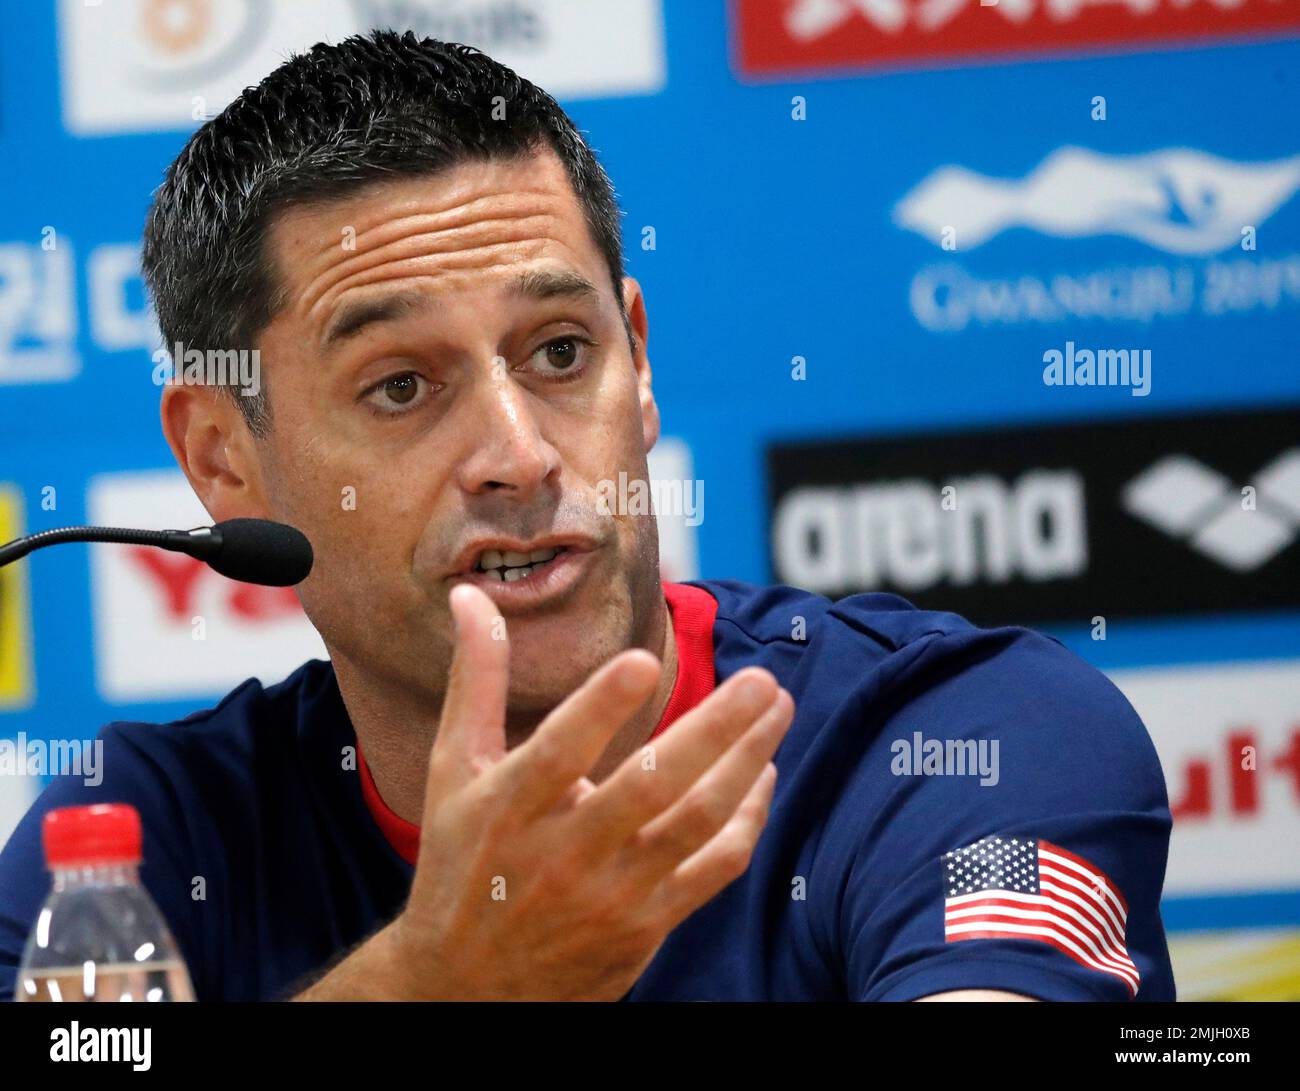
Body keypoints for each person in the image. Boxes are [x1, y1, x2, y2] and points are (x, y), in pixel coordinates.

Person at [0, 31, 1174, 1002]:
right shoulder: (136, 846)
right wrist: (436, 983)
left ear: (641, 363)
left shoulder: (956, 738)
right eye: (401, 385)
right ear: (223, 460)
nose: (518, 454)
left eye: (561, 352)